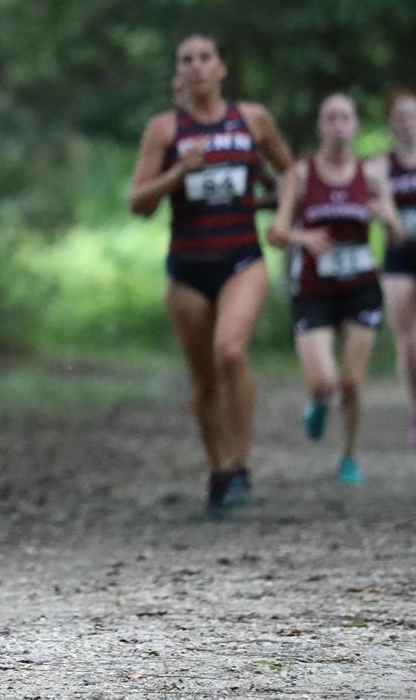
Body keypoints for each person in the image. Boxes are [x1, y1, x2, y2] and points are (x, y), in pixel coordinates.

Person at [129, 34, 295, 518]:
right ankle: (219, 469)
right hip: (187, 267)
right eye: (187, 61)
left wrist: (283, 216)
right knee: (204, 380)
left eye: (205, 58)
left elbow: (290, 170)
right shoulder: (164, 130)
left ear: (221, 67)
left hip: (242, 257)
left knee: (231, 351)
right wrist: (179, 172)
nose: (197, 67)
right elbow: (138, 203)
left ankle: (240, 465)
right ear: (178, 73)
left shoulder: (253, 119)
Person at [268, 94, 404, 483]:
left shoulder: (373, 177)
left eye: (345, 117)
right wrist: (304, 237)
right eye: (331, 118)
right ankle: (317, 401)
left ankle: (349, 455)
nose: (339, 125)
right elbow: (276, 233)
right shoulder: (303, 175)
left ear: (356, 125)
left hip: (360, 288)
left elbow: (397, 236)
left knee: (352, 383)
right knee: (324, 381)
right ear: (320, 126)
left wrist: (386, 220)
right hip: (313, 290)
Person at [368, 88, 416, 445]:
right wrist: (387, 216)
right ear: (391, 124)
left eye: (412, 115)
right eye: (399, 117)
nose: (407, 122)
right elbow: (370, 195)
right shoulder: (382, 165)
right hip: (399, 256)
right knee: (408, 346)